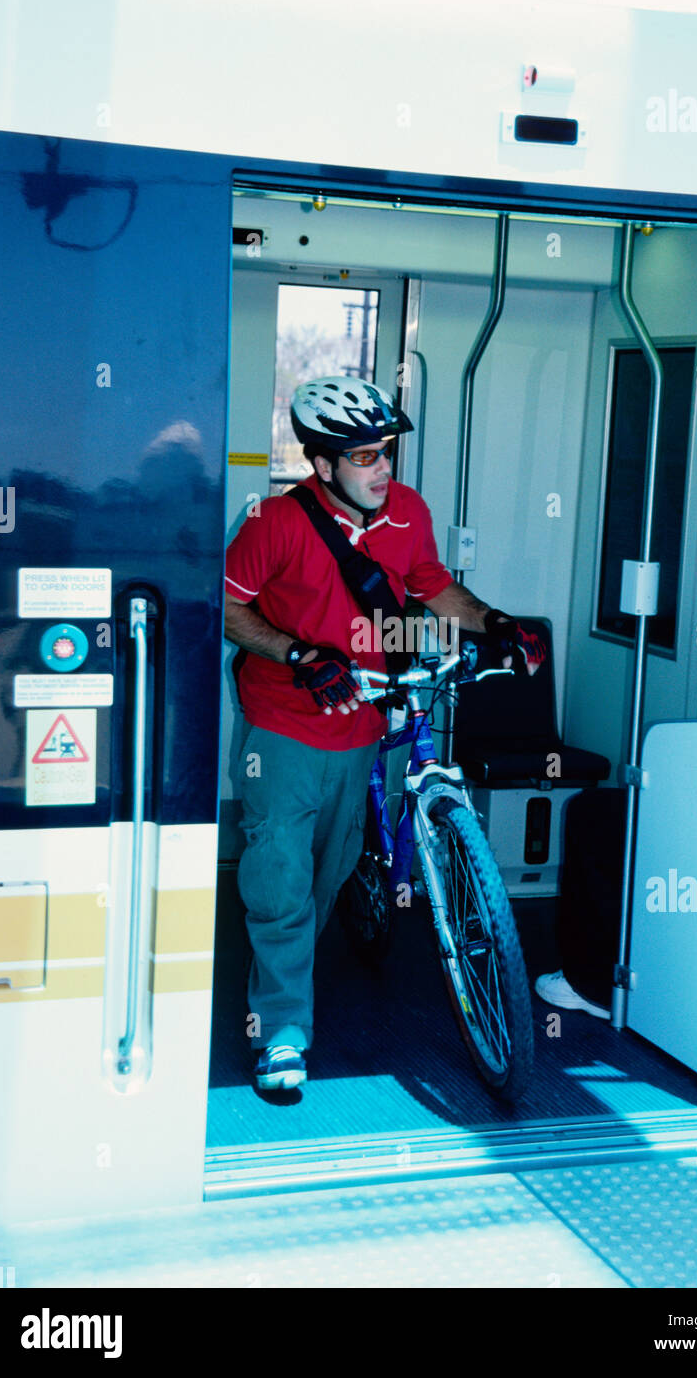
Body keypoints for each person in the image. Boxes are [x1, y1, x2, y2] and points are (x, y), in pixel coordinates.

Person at [223, 375, 547, 1090]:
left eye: (385, 454)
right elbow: (226, 606)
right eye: (365, 456)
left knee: (330, 874)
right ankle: (280, 1031)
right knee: (280, 880)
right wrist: (298, 654)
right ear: (323, 463)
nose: (382, 469)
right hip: (285, 724)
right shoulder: (273, 524)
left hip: (364, 719)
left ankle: (293, 973)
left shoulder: (408, 513)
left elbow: (432, 584)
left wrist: (494, 622)